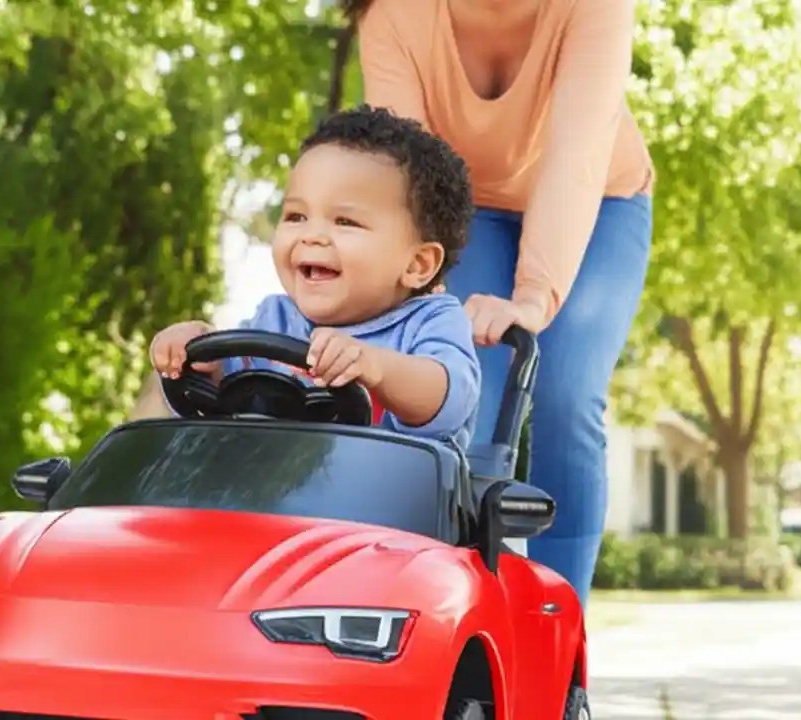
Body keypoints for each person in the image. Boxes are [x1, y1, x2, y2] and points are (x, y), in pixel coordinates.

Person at [351, 0, 655, 607]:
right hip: (466, 213)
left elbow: (579, 151)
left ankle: (562, 642)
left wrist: (535, 298)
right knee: (455, 402)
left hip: (601, 198)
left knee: (567, 397)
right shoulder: (392, 15)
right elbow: (404, 178)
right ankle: (449, 620)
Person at [150, 105, 482, 448]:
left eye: (345, 222)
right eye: (296, 216)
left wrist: (377, 368)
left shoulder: (432, 320)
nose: (312, 236)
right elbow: (221, 393)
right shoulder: (273, 319)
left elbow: (452, 400)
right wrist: (198, 358)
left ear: (417, 265)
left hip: (389, 494)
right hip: (268, 490)